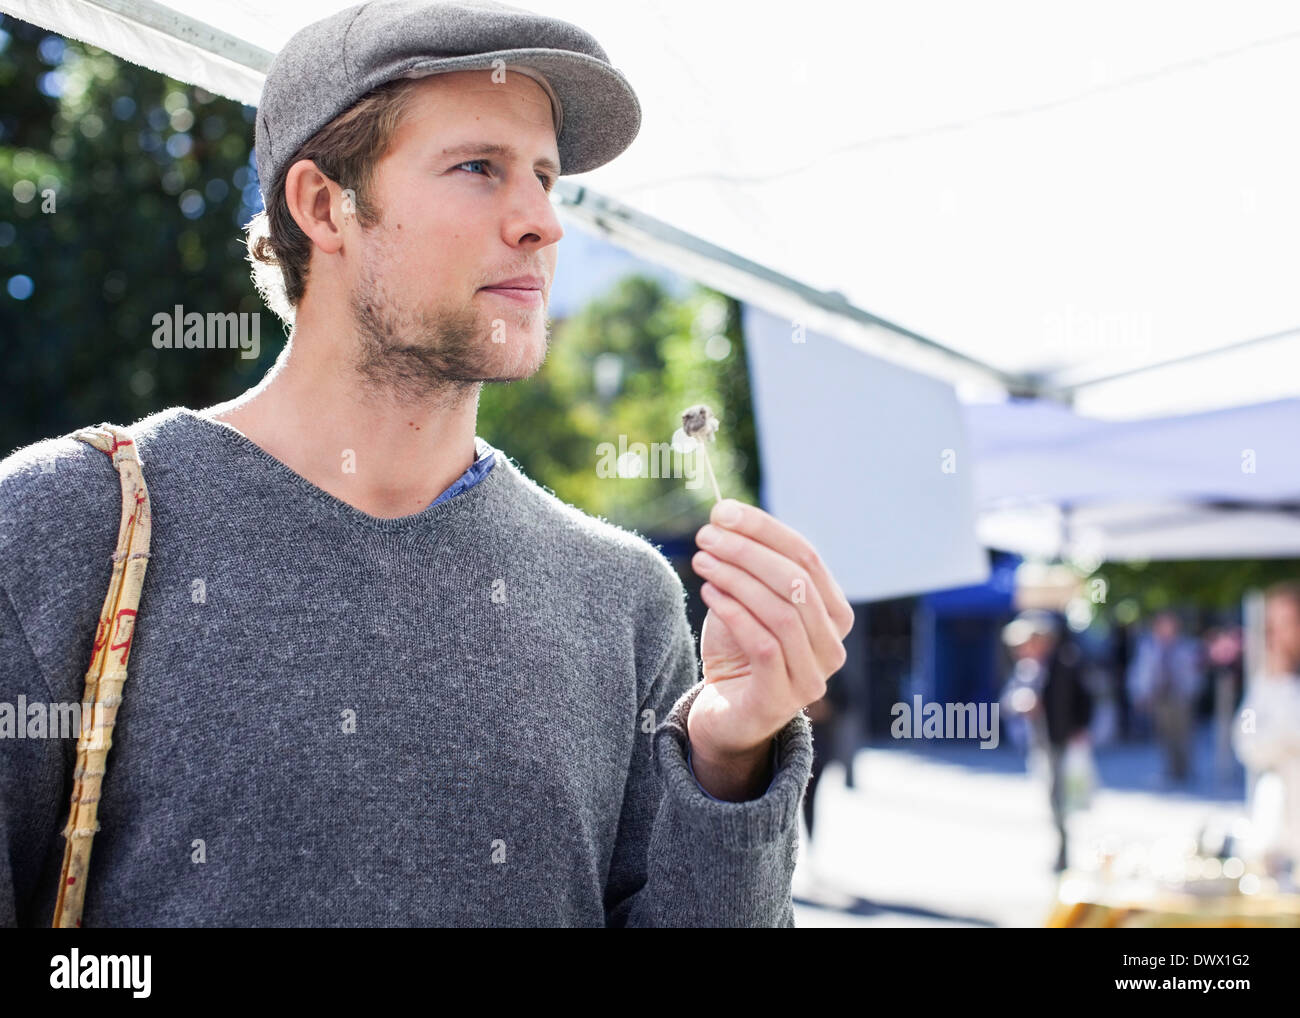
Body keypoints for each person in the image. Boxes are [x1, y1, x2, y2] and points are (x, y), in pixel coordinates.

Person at [0, 0, 855, 927]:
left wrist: (729, 763)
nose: (542, 222)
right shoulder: (61, 527)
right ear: (323, 205)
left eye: (545, 177)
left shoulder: (628, 601)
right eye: (479, 167)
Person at [999, 609, 1094, 872]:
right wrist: (1021, 704)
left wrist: (1080, 727)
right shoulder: (1027, 669)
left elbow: (1084, 698)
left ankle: (1063, 854)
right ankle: (1060, 852)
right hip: (1039, 741)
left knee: (1061, 798)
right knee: (1052, 797)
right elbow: (1007, 701)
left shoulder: (1065, 662)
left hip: (1060, 739)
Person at [1232, 581, 1300, 879]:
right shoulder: (1267, 681)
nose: (1278, 634)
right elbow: (1246, 734)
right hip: (1282, 830)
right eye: (1272, 625)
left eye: (1287, 623)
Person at [1127, 610, 1204, 784]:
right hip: (1159, 695)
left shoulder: (1185, 646)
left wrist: (1191, 690)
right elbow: (1141, 671)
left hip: (1180, 695)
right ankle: (1171, 769)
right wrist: (1140, 693)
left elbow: (1194, 670)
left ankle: (1185, 769)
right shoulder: (1149, 647)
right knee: (1164, 734)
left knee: (1183, 734)